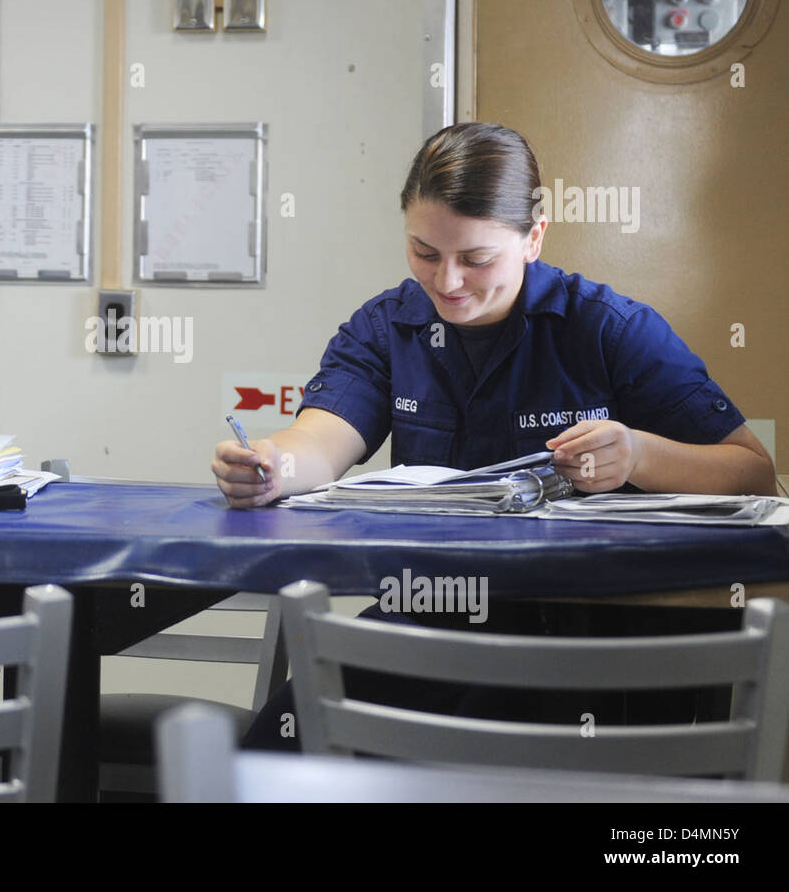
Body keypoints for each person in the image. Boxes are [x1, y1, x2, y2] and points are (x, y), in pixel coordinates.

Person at [211, 122, 776, 749]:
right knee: (273, 752)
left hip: (596, 633)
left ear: (533, 238)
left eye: (476, 259)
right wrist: (272, 466)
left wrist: (639, 454)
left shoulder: (611, 330)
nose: (447, 283)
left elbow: (752, 473)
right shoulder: (387, 327)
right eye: (425, 252)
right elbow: (324, 437)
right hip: (434, 613)